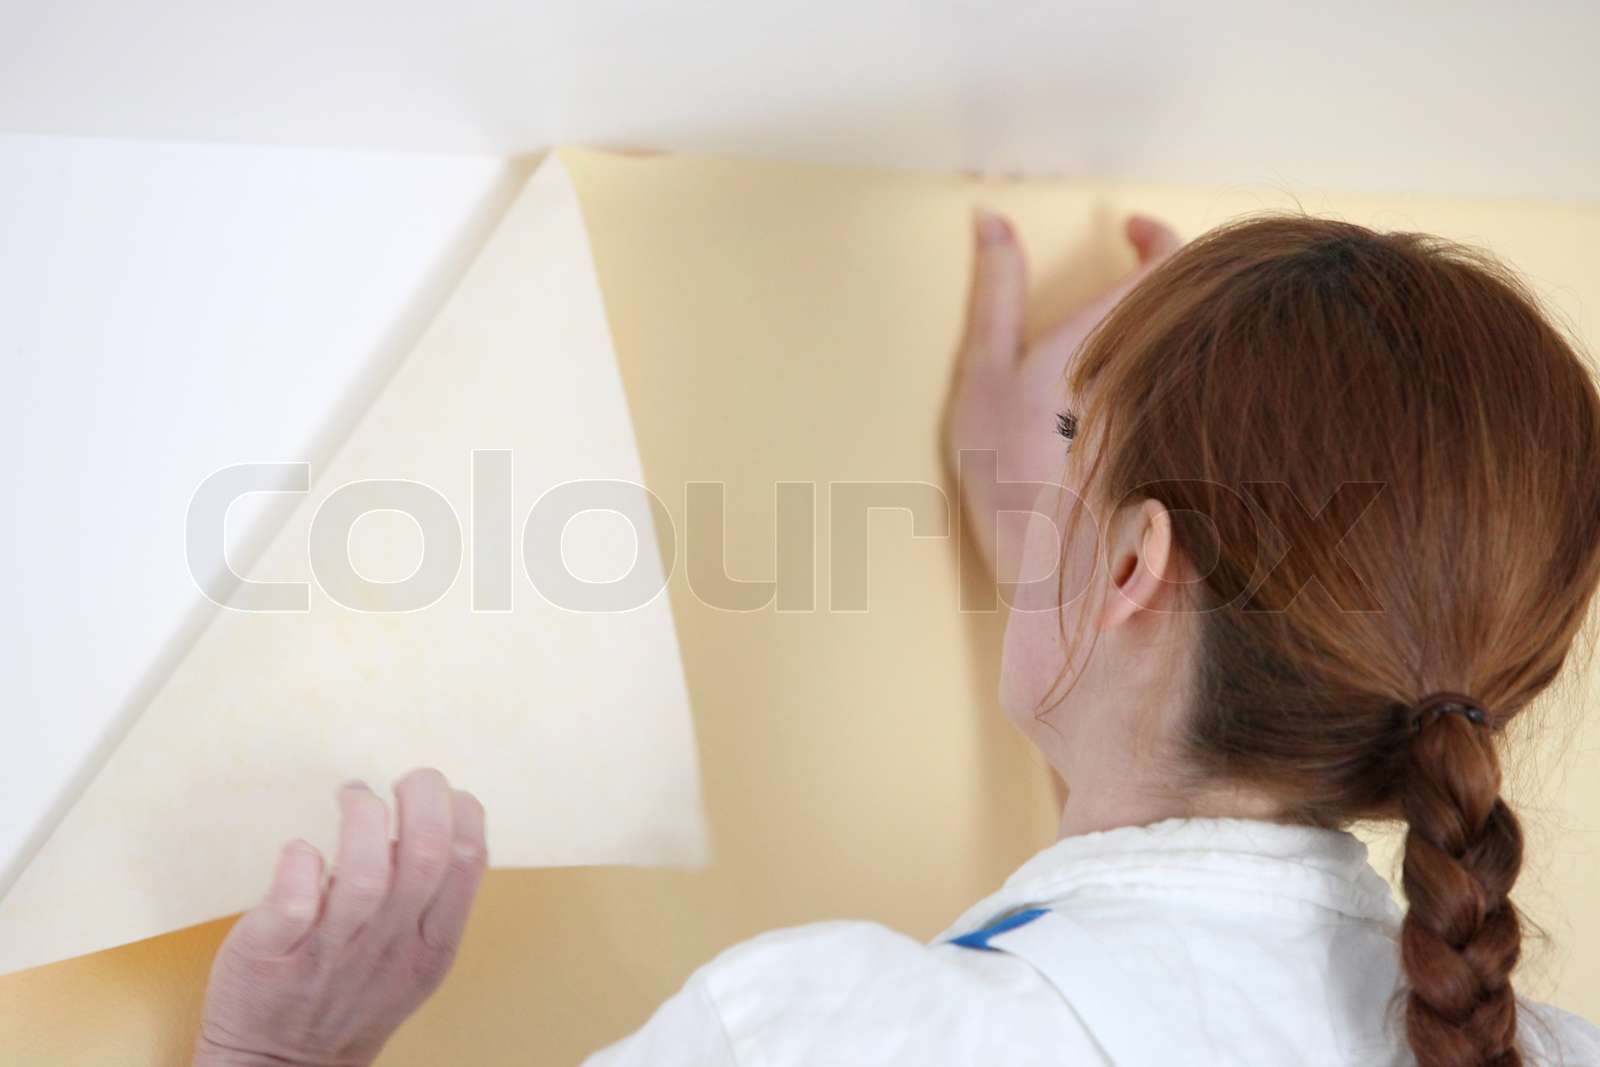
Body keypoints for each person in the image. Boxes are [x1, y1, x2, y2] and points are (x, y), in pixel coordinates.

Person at [191, 210, 1600, 1067]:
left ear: (1133, 567)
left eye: (1073, 442)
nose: (1046, 480)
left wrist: (276, 1054)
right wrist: (1088, 600)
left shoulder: (816, 1036)